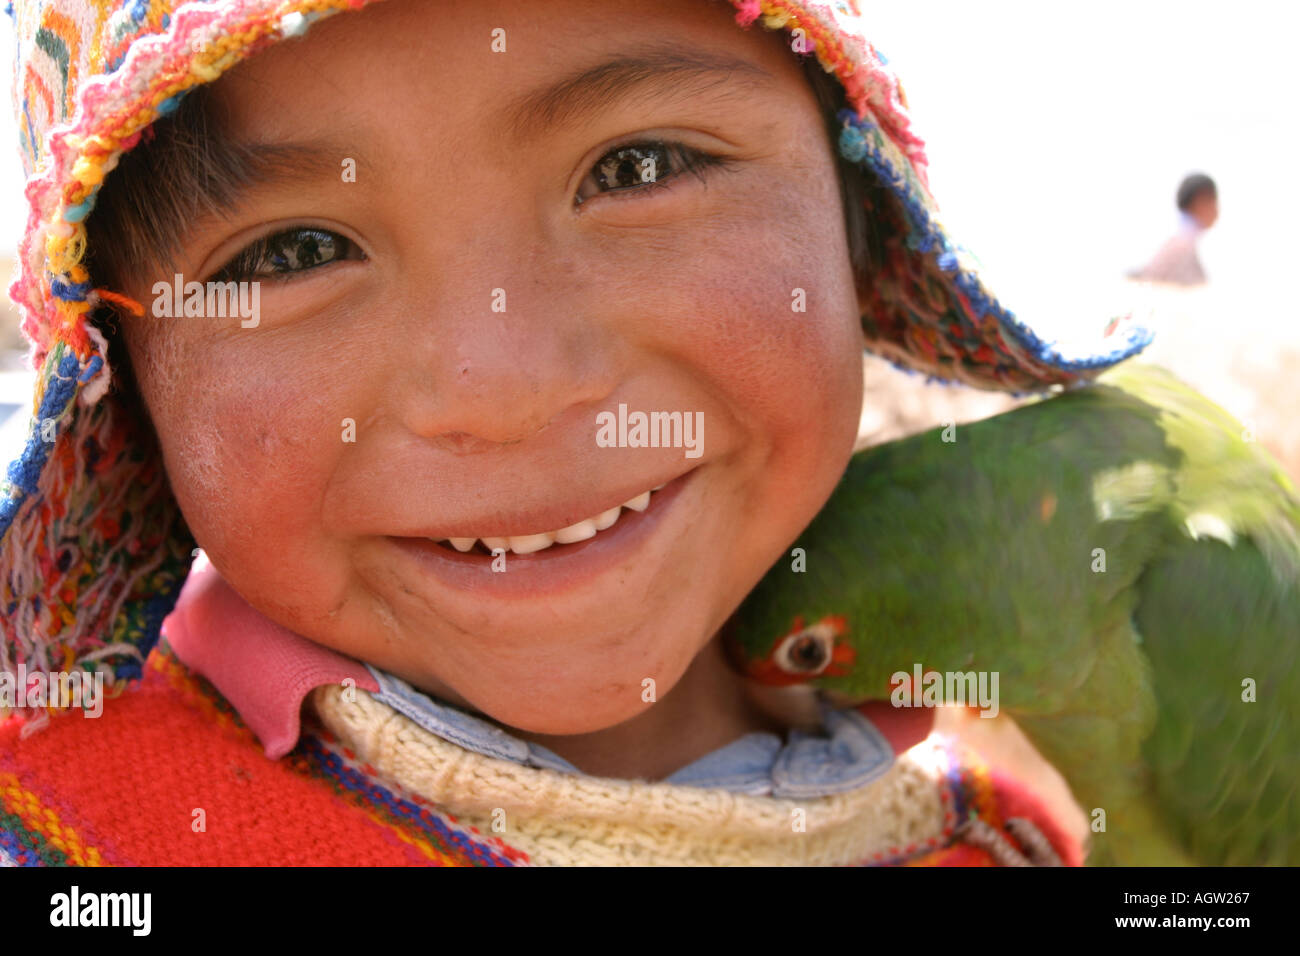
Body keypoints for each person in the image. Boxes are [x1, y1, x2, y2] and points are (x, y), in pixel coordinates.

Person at [0, 0, 1151, 866]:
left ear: (857, 227)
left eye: (636, 168)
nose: (503, 388)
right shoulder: (48, 826)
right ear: (131, 385)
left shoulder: (1014, 835)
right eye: (291, 254)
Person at [1129, 172, 1218, 285]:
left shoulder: (1185, 241)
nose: (1216, 209)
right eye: (1213, 201)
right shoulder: (1183, 245)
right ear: (1199, 201)